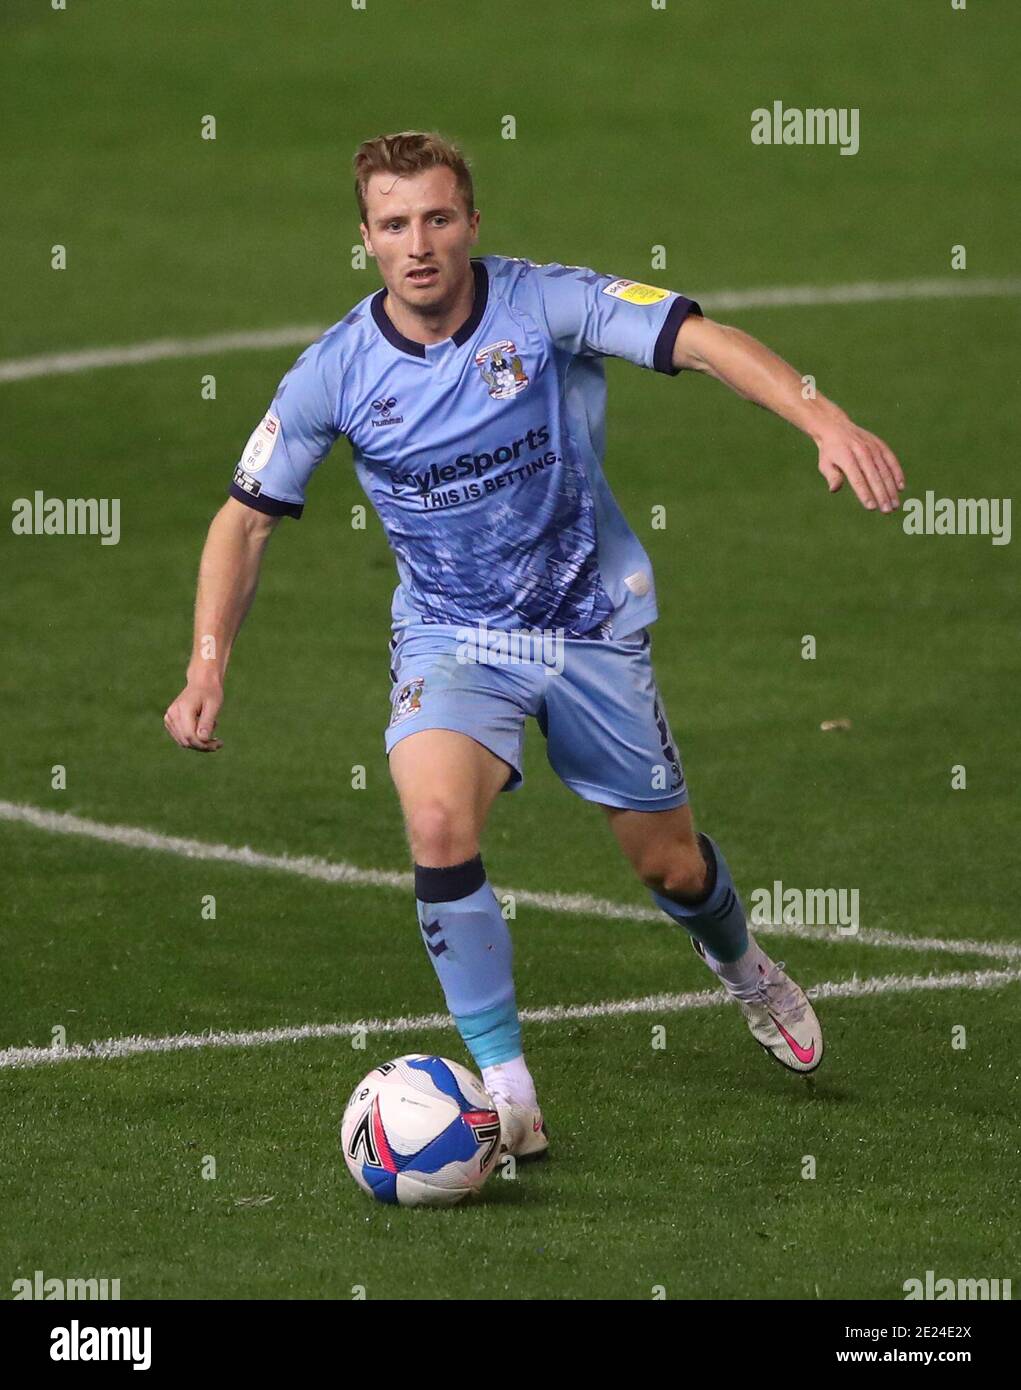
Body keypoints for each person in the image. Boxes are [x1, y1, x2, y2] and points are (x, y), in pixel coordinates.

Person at [164, 130, 904, 1159]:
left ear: (471, 221)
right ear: (366, 239)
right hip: (452, 638)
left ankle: (743, 966)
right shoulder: (333, 374)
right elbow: (242, 518)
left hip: (590, 626)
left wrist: (821, 419)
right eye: (392, 224)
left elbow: (700, 338)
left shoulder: (543, 304)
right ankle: (507, 1090)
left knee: (672, 867)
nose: (417, 244)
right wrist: (208, 669)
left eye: (435, 218)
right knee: (434, 820)